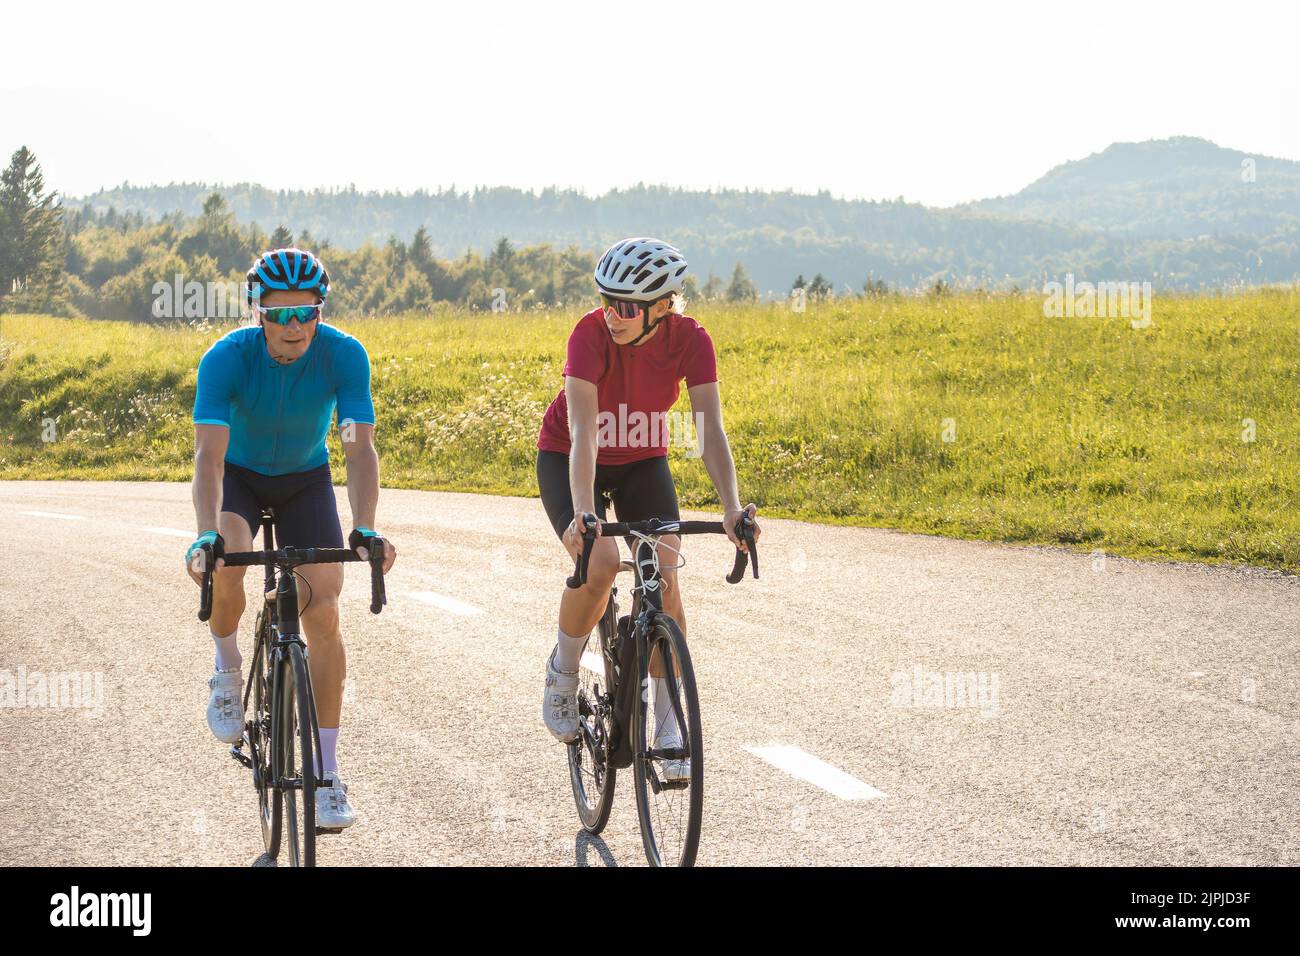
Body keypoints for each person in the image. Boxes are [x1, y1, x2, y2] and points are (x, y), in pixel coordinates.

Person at [184, 248, 397, 830]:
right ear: (258, 313)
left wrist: (366, 525)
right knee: (226, 561)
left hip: (306, 479)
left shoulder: (344, 355)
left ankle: (327, 772)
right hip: (241, 478)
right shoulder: (226, 359)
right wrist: (206, 534)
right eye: (280, 315)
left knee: (324, 608)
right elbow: (208, 458)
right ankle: (227, 670)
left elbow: (358, 448)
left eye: (307, 313)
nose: (295, 327)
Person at [535, 237, 760, 780]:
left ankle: (666, 718)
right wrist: (584, 515)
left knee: (664, 567)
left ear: (664, 306)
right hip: (569, 455)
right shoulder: (590, 335)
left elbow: (709, 430)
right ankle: (563, 672)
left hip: (642, 460)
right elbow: (585, 431)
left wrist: (731, 508)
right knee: (602, 565)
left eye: (628, 306)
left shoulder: (692, 340)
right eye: (606, 299)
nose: (613, 314)